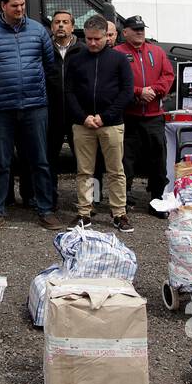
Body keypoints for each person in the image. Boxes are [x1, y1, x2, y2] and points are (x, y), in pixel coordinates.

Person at [0, 0, 62, 231]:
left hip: (35, 107)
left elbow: (50, 66)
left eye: (22, 5)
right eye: (15, 6)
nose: (20, 9)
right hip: (1, 109)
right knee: (1, 162)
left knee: (40, 160)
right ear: (3, 6)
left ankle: (45, 210)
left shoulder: (38, 31)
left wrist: (41, 93)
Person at [66, 15, 135, 233]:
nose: (93, 43)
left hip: (111, 124)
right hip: (83, 124)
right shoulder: (76, 59)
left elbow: (126, 92)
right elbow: (68, 92)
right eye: (88, 39)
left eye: (97, 38)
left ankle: (119, 213)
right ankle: (84, 213)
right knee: (84, 171)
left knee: (116, 170)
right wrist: (82, 117)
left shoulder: (119, 59)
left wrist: (104, 117)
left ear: (107, 36)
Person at [116, 15, 174, 211]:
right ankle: (121, 203)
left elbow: (168, 75)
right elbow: (115, 81)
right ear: (125, 32)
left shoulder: (156, 52)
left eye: (141, 28)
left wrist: (154, 91)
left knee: (158, 161)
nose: (140, 32)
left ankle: (157, 201)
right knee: (125, 162)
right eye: (135, 29)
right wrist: (138, 92)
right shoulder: (117, 53)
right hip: (128, 116)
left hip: (153, 117)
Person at [45, 10, 81, 186]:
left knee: (86, 162)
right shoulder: (45, 50)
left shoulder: (83, 50)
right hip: (52, 115)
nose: (60, 25)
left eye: (65, 22)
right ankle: (49, 199)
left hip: (78, 116)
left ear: (72, 27)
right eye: (57, 22)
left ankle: (91, 199)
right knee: (49, 159)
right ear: (51, 27)